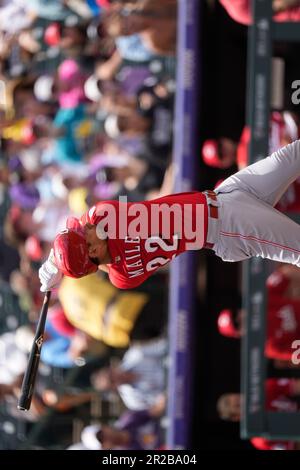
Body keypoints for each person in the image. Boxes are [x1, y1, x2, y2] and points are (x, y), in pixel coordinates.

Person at [40, 139, 300, 291]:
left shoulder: (120, 276)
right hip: (228, 228)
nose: (83, 227)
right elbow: (95, 232)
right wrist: (54, 262)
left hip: (225, 196)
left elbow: (103, 264)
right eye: (81, 234)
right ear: (93, 251)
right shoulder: (106, 218)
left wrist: (64, 265)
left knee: (293, 155)